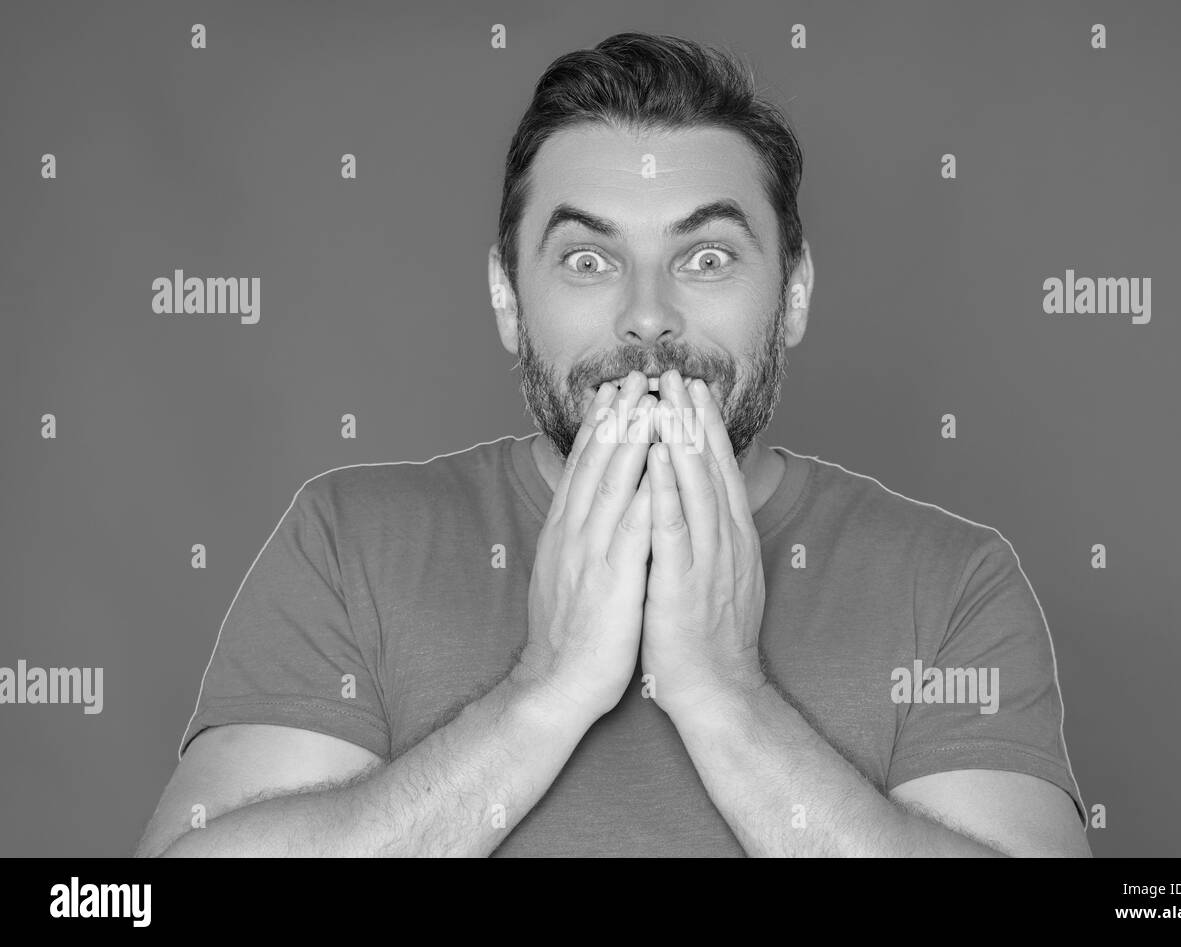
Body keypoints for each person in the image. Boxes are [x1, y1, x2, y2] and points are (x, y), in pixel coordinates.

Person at [136, 32, 1089, 857]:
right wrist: (542, 695)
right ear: (509, 299)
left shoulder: (954, 580)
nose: (646, 318)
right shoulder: (349, 540)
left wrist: (728, 699)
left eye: (705, 257)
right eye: (589, 260)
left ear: (793, 293)